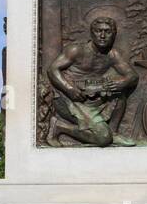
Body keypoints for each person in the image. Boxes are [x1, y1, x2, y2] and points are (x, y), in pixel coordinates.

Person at [45, 16, 138, 147]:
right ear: (91, 33)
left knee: (119, 92)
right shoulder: (76, 50)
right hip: (69, 99)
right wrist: (69, 89)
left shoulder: (113, 55)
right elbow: (52, 70)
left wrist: (121, 83)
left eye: (108, 32)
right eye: (99, 31)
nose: (103, 35)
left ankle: (114, 132)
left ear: (114, 34)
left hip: (92, 97)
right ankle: (59, 126)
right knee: (103, 139)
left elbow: (132, 76)